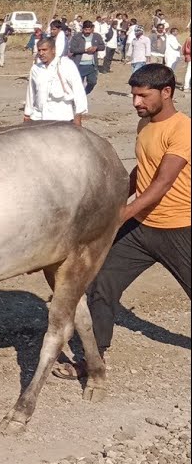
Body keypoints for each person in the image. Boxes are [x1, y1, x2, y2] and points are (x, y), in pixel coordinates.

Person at [53, 64, 190, 379]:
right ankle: (94, 358)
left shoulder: (183, 129)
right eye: (133, 95)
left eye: (143, 96)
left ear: (166, 92)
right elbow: (144, 171)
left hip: (180, 227)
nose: (136, 102)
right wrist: (118, 199)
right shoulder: (145, 124)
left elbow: (162, 183)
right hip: (142, 229)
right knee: (101, 282)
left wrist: (121, 214)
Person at [24, 38, 87, 125]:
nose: (41, 53)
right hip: (39, 116)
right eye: (39, 50)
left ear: (53, 50)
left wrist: (78, 115)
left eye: (44, 50)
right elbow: (31, 92)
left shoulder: (65, 64)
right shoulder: (35, 68)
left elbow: (78, 89)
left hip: (61, 117)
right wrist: (27, 113)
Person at [68, 20, 105, 95]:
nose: (87, 32)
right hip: (79, 65)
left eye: (89, 30)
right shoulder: (77, 37)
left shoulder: (96, 36)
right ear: (82, 29)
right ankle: (77, 97)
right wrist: (85, 50)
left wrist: (96, 48)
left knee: (92, 82)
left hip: (92, 65)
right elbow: (72, 49)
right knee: (78, 84)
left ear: (92, 29)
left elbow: (103, 46)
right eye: (85, 30)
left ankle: (84, 94)